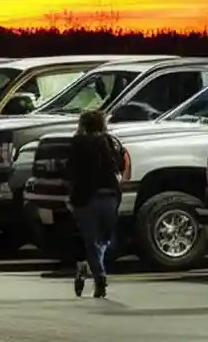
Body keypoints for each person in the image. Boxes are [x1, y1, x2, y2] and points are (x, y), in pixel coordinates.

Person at [65, 110, 126, 299]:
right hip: (105, 195)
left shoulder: (79, 144)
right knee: (101, 239)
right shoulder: (109, 143)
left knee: (93, 240)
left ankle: (84, 266)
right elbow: (121, 165)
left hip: (87, 197)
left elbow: (69, 171)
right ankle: (99, 276)